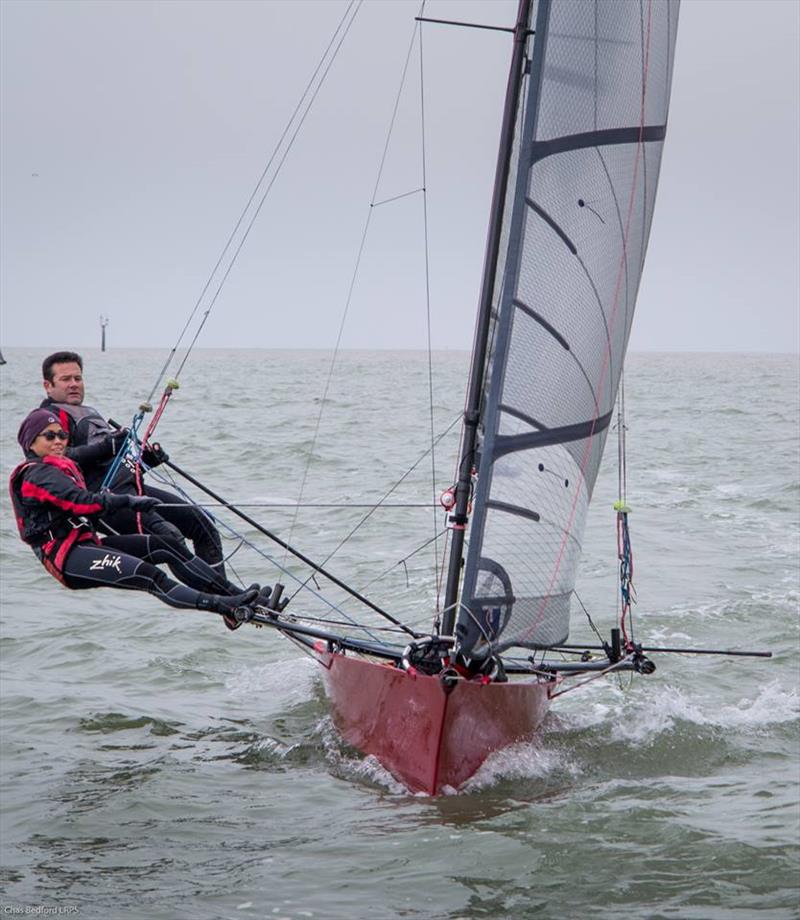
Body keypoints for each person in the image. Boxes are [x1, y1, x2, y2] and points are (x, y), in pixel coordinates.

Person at [9, 408, 260, 629]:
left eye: (62, 435)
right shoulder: (37, 475)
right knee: (151, 577)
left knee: (166, 545)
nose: (59, 441)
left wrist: (146, 462)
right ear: (31, 442)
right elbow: (82, 502)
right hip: (66, 558)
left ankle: (239, 596)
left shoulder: (59, 470)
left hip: (88, 545)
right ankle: (226, 606)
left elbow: (94, 502)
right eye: (49, 436)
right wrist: (130, 502)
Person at [39, 350, 227, 576]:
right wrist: (106, 447)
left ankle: (229, 601)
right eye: (65, 379)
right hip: (107, 501)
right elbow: (53, 460)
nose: (74, 384)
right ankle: (226, 600)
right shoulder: (48, 417)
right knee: (171, 539)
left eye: (78, 378)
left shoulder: (87, 411)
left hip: (133, 488)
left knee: (203, 523)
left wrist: (147, 461)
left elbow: (110, 463)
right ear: (48, 386)